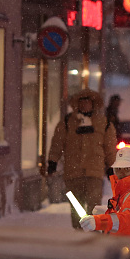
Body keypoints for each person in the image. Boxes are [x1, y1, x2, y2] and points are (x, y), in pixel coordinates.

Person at [46, 89, 117, 229]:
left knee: (94, 203)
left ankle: (92, 231)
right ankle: (79, 230)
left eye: (87, 102)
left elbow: (110, 149)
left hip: (94, 172)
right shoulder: (67, 122)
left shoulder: (104, 123)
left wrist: (111, 168)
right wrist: (52, 162)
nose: (84, 105)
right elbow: (57, 143)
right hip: (73, 172)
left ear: (93, 104)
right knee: (76, 205)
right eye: (82, 102)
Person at [79, 146, 130, 238]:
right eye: (118, 169)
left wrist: (99, 221)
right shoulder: (127, 191)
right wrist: (106, 212)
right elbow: (125, 214)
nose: (121, 173)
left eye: (127, 169)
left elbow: (128, 222)